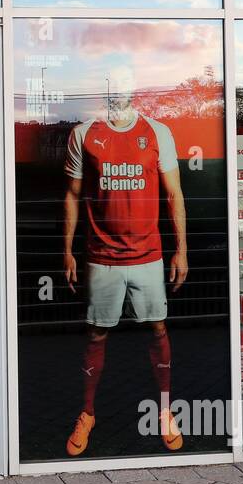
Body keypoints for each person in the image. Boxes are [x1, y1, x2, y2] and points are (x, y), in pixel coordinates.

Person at [62, 61, 188, 455]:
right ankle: (87, 413)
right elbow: (71, 195)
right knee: (97, 333)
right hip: (101, 257)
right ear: (105, 90)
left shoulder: (157, 133)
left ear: (134, 89)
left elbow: (173, 195)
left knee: (158, 329)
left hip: (148, 255)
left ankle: (166, 410)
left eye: (125, 84)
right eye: (112, 84)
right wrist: (65, 250)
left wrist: (181, 249)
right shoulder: (84, 134)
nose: (118, 91)